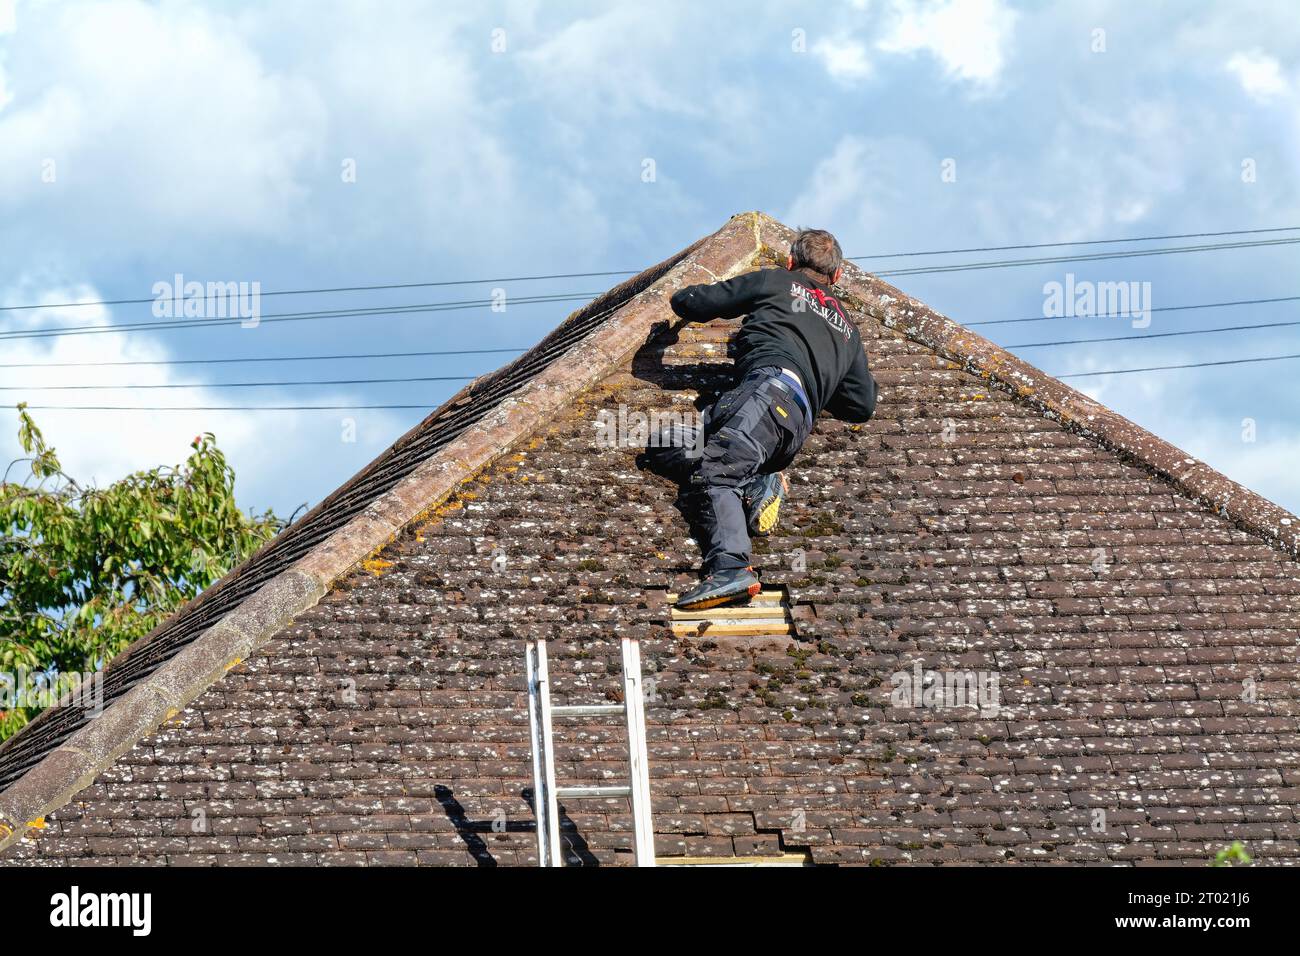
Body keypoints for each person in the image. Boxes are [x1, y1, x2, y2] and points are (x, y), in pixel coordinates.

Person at [650, 228, 879, 610]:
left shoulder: (777, 280)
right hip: (790, 423)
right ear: (836, 276)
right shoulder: (847, 329)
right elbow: (862, 405)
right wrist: (818, 379)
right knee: (664, 445)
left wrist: (678, 298)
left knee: (716, 472)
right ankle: (758, 479)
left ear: (791, 262)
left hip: (767, 394)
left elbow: (700, 302)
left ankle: (730, 568)